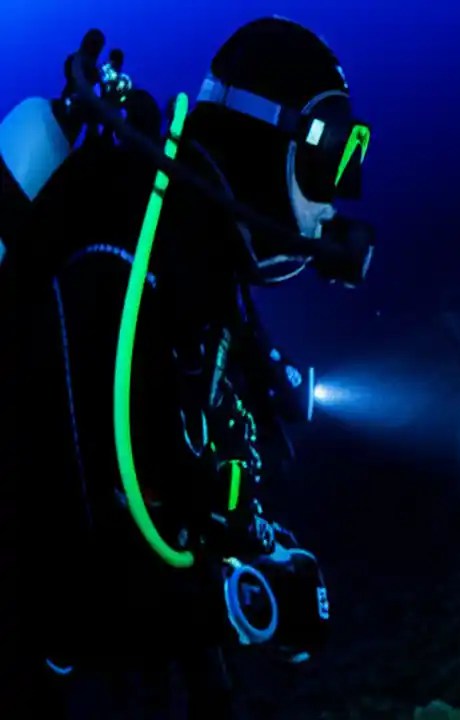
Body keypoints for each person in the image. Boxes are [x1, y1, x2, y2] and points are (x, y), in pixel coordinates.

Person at [0, 17, 374, 718]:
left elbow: (187, 466)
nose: (336, 199)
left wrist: (252, 546)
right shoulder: (120, 260)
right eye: (327, 155)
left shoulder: (196, 260)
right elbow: (73, 592)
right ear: (267, 142)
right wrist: (249, 603)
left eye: (351, 157)